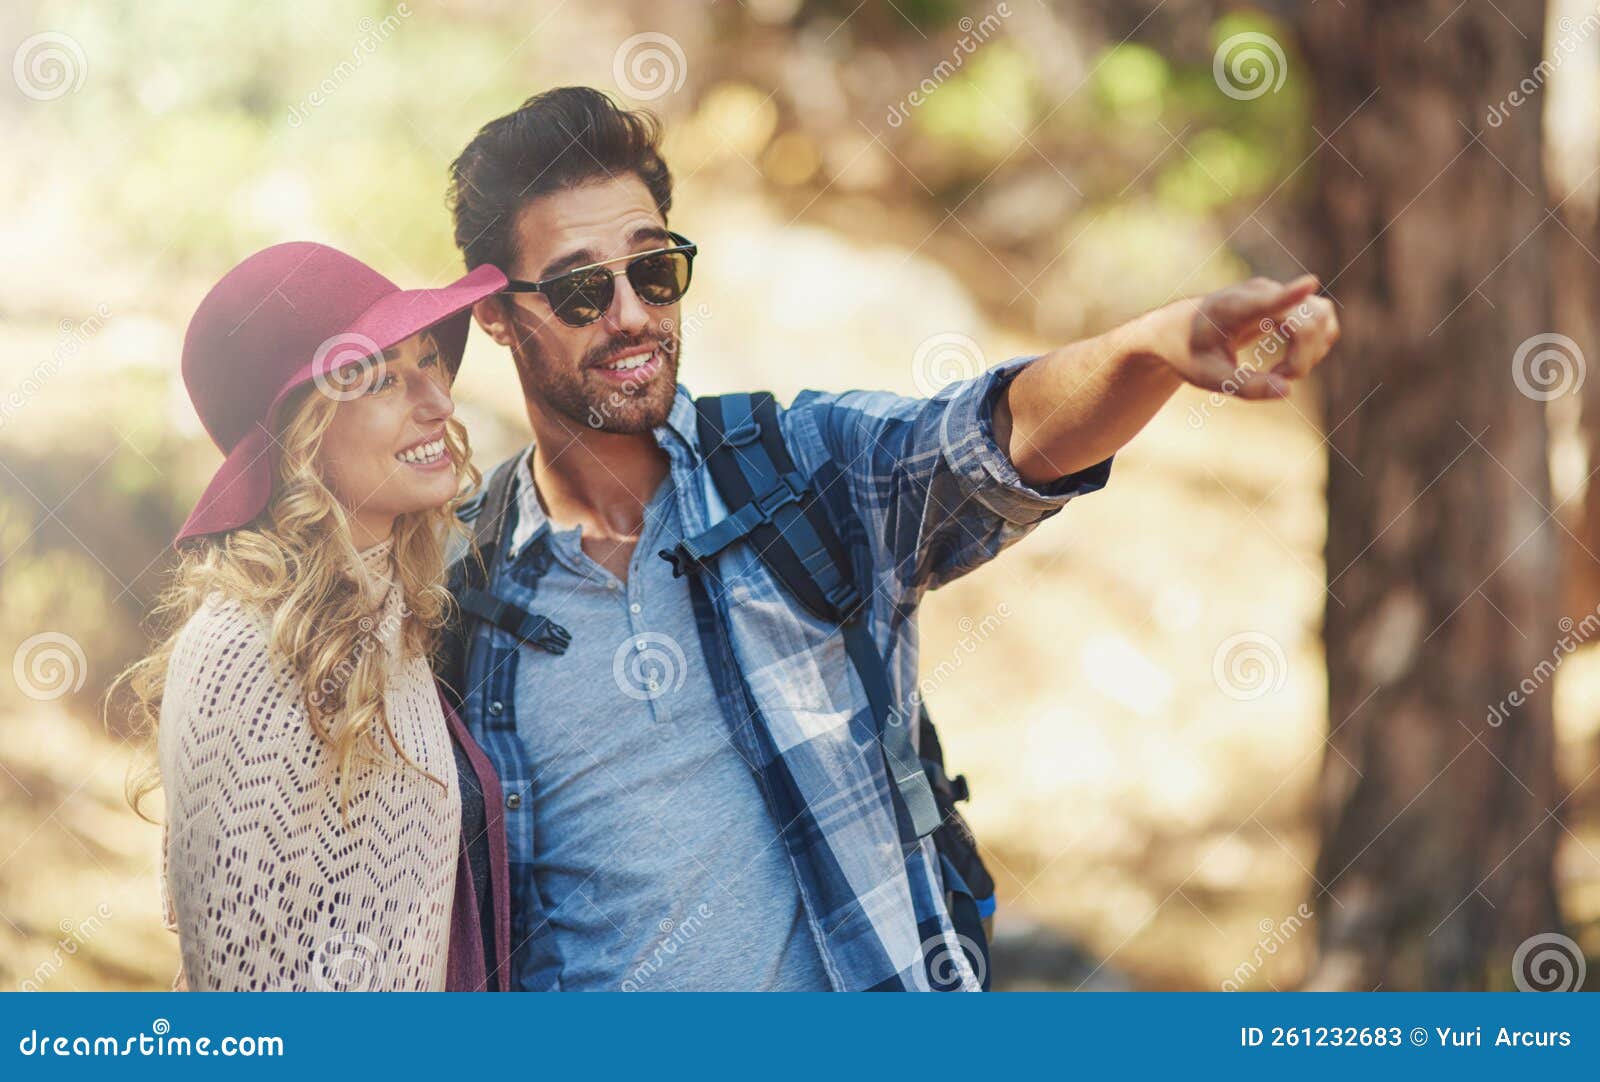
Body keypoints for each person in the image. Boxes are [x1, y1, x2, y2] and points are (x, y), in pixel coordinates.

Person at [442, 87, 1341, 991]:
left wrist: (1148, 350)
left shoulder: (798, 477)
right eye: (580, 288)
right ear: (495, 314)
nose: (631, 313)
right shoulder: (458, 606)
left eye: (655, 271)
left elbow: (995, 439)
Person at [119, 242, 511, 990]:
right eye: (384, 380)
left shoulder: (388, 611)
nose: (438, 401)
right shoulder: (248, 649)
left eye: (429, 359)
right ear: (301, 434)